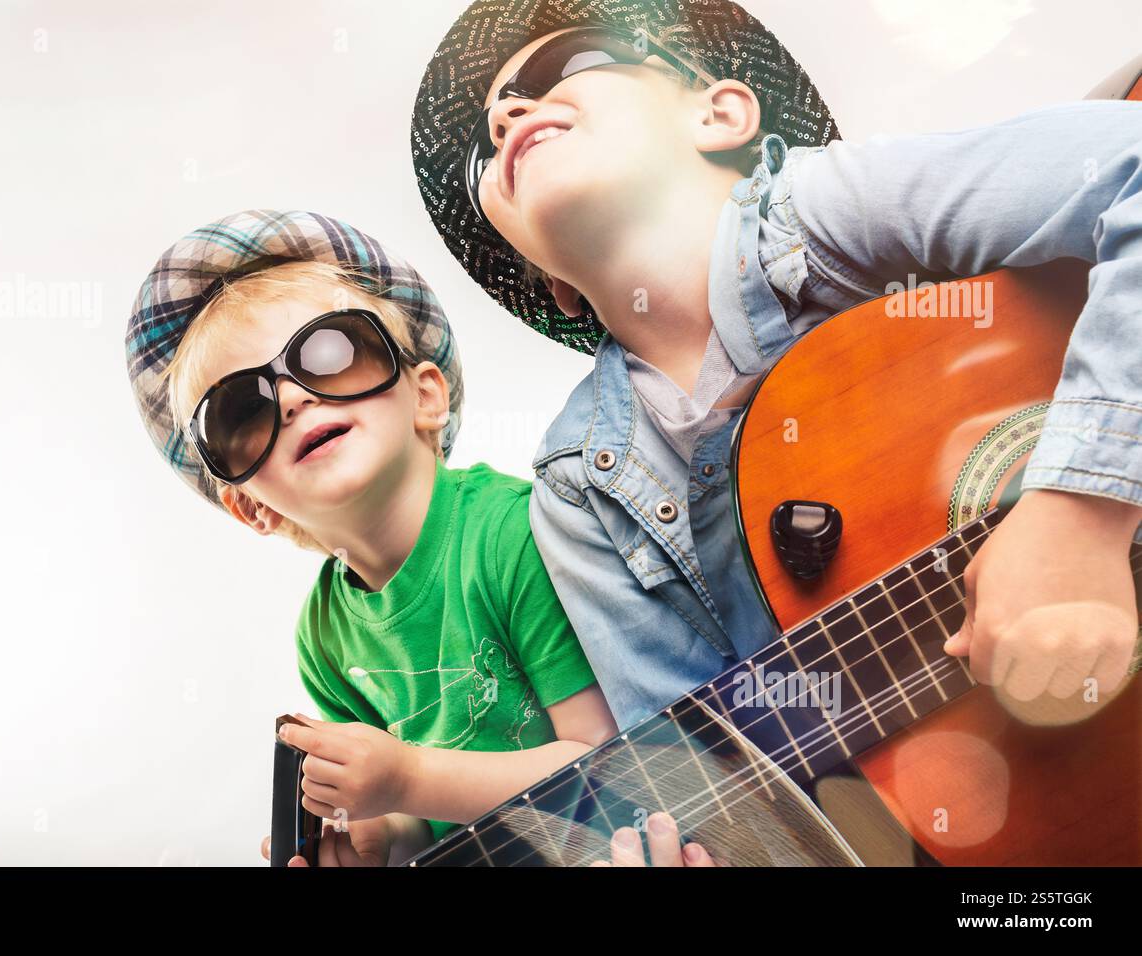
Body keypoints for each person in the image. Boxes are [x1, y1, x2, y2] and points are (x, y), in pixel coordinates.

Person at [410, 0, 1142, 731]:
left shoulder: (830, 207)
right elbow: (699, 767)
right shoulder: (577, 493)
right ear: (551, 282)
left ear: (720, 115)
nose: (507, 115)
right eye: (485, 146)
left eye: (562, 66)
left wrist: (1082, 511)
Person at [125, 209, 618, 866]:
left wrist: (406, 778)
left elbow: (607, 763)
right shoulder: (325, 634)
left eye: (330, 352)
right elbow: (426, 819)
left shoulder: (513, 535)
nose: (295, 399)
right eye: (243, 409)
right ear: (252, 508)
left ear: (425, 398)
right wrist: (381, 836)